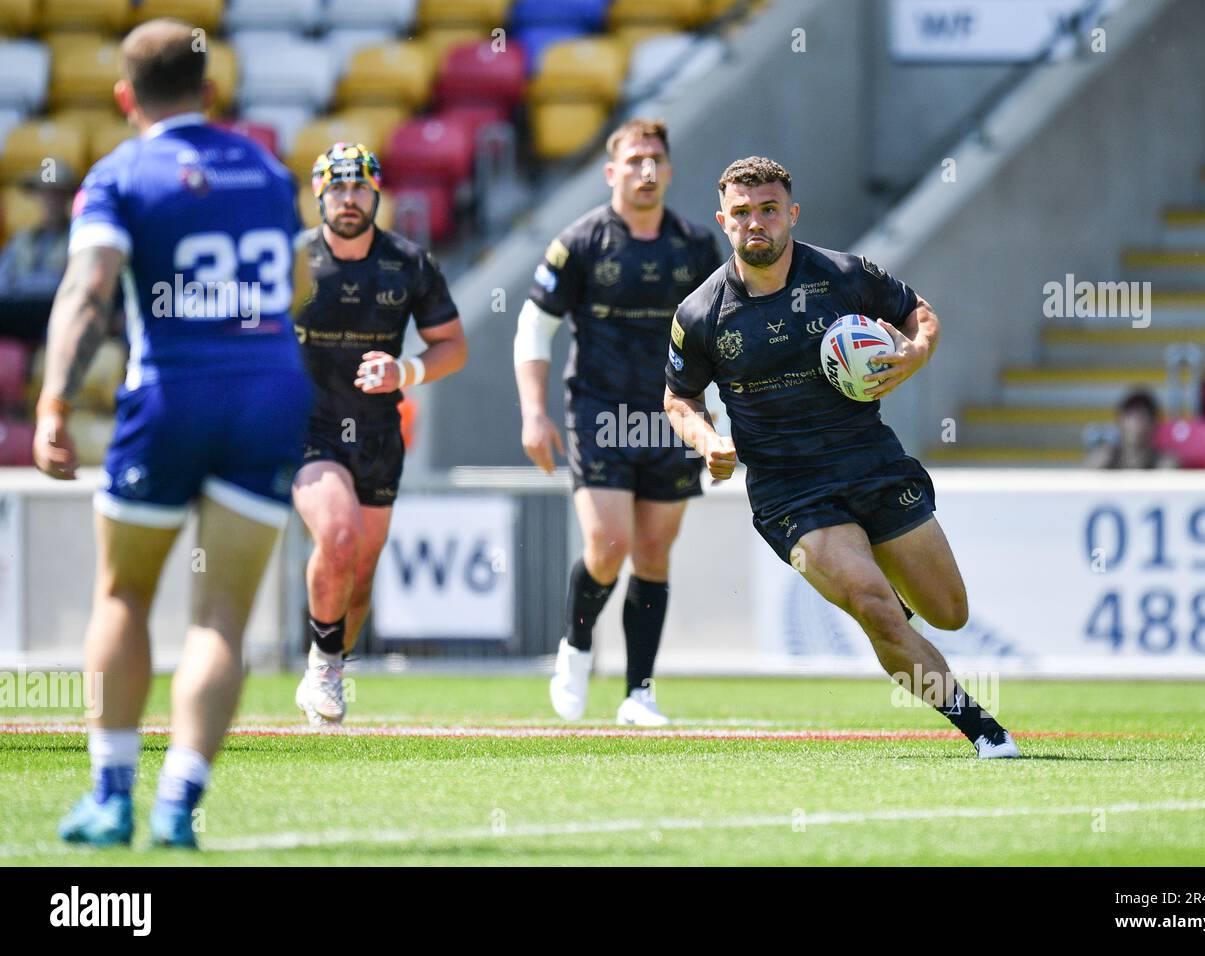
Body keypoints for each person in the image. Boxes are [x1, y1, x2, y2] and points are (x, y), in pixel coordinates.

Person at [33, 18, 314, 847]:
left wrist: (53, 400)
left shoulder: (120, 174)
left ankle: (112, 795)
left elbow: (88, 292)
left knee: (123, 595)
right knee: (221, 617)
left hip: (169, 394)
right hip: (266, 392)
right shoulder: (265, 169)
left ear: (125, 98)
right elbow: (297, 282)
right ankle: (177, 805)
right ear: (212, 91)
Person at [663, 156, 1019, 757]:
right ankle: (983, 730)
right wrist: (710, 443)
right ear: (723, 220)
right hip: (789, 494)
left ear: (792, 214)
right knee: (875, 606)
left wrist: (915, 352)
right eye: (743, 213)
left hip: (870, 463)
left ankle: (903, 608)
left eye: (769, 210)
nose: (757, 224)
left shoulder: (844, 275)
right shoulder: (700, 315)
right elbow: (678, 399)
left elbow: (919, 313)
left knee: (950, 612)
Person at [513, 118, 721, 725]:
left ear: (669, 171)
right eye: (633, 160)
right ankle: (576, 646)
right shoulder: (579, 242)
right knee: (608, 547)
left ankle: (639, 693)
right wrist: (533, 414)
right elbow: (534, 328)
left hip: (673, 414)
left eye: (655, 158)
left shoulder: (695, 246)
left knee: (653, 553)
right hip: (600, 412)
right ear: (611, 172)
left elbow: (721, 335)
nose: (645, 170)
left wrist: (721, 420)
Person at [291, 142, 467, 726]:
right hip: (308, 427)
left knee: (361, 569)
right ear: (320, 194)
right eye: (336, 188)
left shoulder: (409, 262)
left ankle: (333, 664)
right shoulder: (293, 261)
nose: (348, 198)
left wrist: (405, 371)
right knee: (338, 537)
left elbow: (453, 348)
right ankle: (320, 664)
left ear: (376, 194)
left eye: (358, 187)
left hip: (377, 431)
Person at [0, 162, 77, 340]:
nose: (51, 201)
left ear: (67, 197)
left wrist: (21, 286)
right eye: (45, 193)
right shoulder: (21, 239)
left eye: (57, 193)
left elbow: (66, 287)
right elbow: (2, 283)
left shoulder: (77, 239)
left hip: (54, 314)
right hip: (16, 312)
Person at [1083, 389, 1178, 469]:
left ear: (1153, 424)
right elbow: (1083, 484)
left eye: (1142, 415)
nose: (1136, 422)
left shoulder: (1164, 462)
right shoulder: (1104, 457)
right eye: (1131, 415)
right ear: (1120, 421)